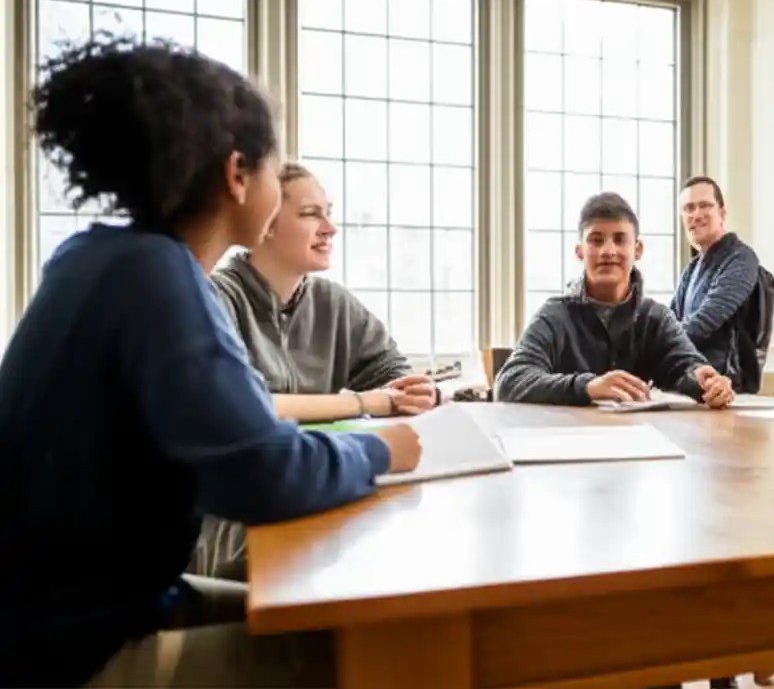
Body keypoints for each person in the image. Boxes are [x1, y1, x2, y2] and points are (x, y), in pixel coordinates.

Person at [0, 36, 422, 687]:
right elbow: (263, 474)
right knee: (387, 651)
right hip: (75, 654)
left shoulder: (93, 260)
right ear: (237, 175)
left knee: (349, 616)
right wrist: (382, 450)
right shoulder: (155, 277)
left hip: (81, 614)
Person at [211, 161, 439, 425]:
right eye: (310, 213)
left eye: (328, 213)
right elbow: (242, 404)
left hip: (319, 458)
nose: (330, 228)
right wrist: (365, 402)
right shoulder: (216, 299)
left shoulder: (334, 304)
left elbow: (393, 375)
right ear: (266, 223)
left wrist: (418, 392)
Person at [495, 192, 734, 409]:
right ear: (580, 252)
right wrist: (588, 387)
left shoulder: (656, 318)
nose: (608, 251)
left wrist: (705, 380)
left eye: (620, 239)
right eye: (596, 240)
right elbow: (509, 381)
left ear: (637, 250)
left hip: (642, 445)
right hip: (567, 444)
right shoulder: (554, 315)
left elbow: (685, 366)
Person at [670, 176, 767, 393]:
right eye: (688, 208)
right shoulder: (692, 269)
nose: (696, 214)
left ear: (722, 213)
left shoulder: (741, 259)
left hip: (728, 388)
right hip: (694, 383)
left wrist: (661, 346)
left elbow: (706, 321)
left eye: (705, 205)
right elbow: (669, 321)